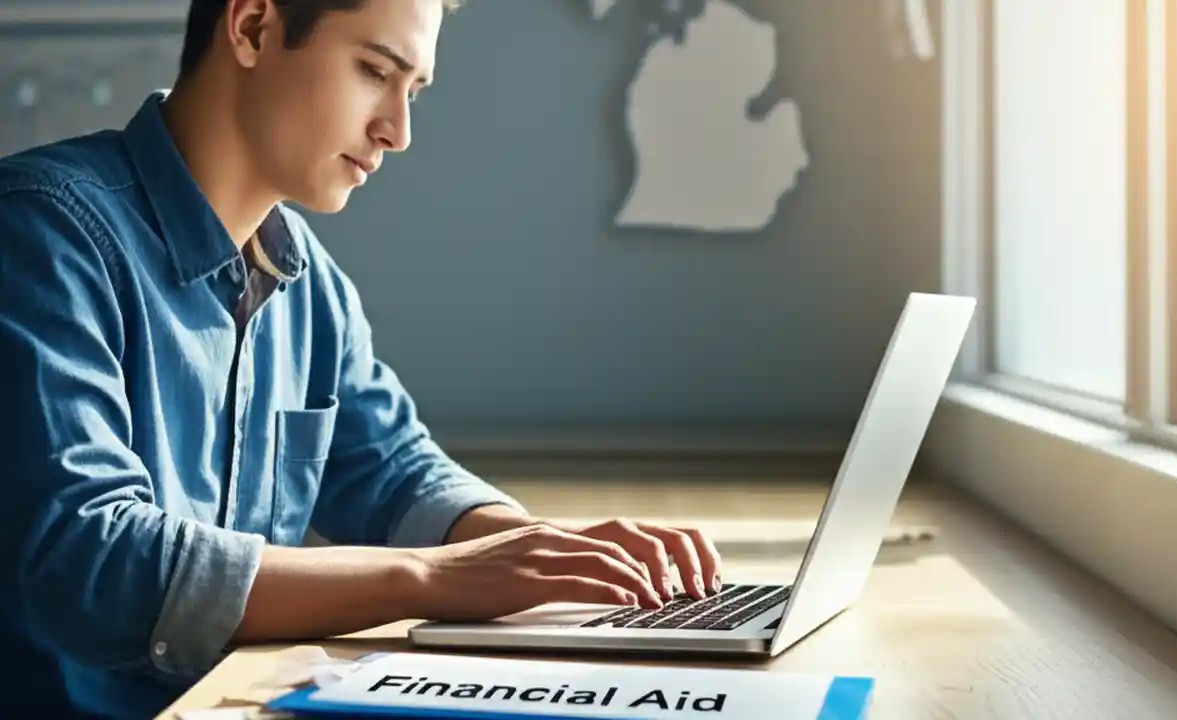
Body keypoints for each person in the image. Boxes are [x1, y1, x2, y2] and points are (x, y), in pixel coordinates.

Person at [0, 1, 723, 716]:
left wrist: (546, 553)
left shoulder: (307, 281)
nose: (398, 130)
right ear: (253, 27)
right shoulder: (42, 233)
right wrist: (432, 577)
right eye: (375, 70)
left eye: (413, 90)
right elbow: (93, 560)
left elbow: (392, 470)